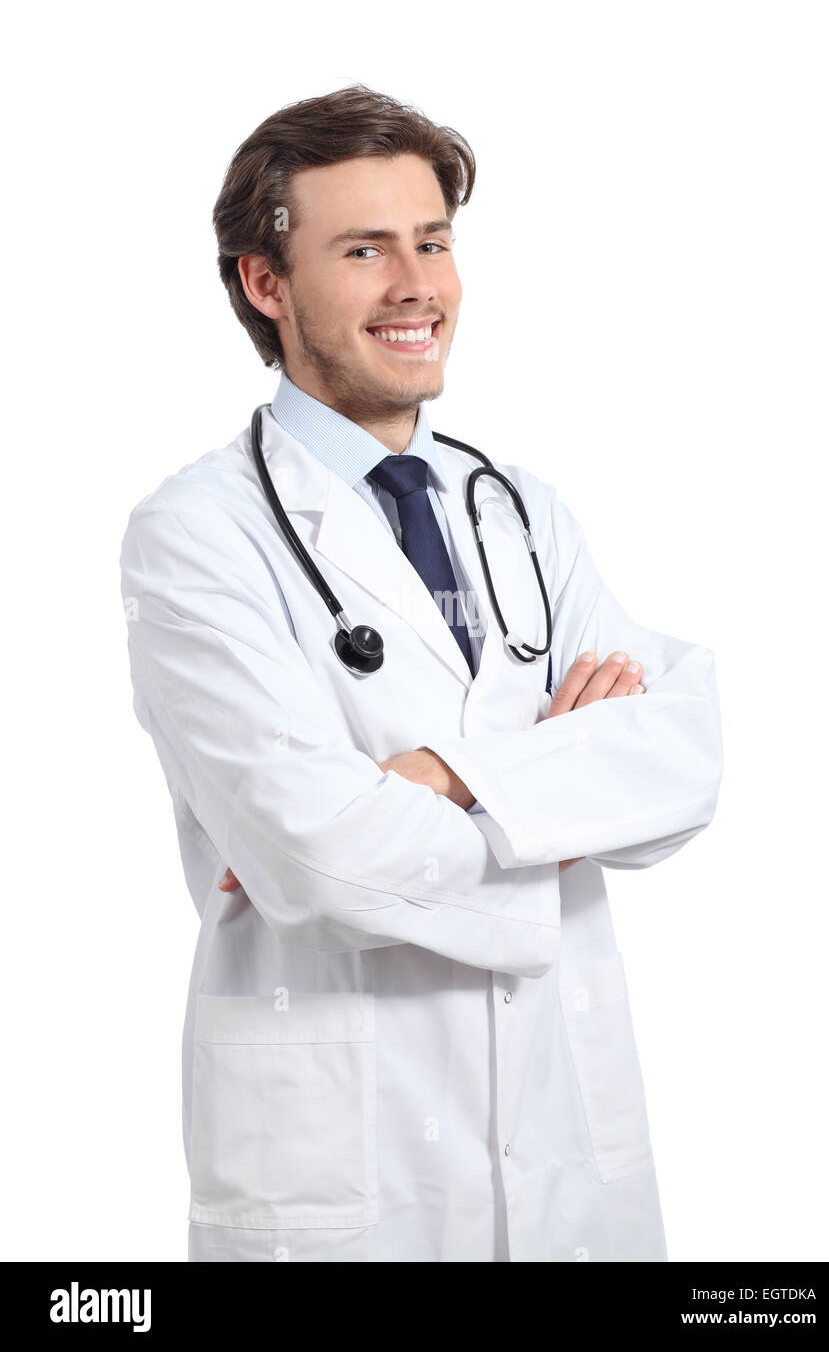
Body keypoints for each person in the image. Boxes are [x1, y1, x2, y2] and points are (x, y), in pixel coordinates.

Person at [119, 84, 723, 1263]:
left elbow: (686, 758)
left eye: (432, 242)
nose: (416, 285)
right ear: (265, 283)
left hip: (566, 1155)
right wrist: (555, 794)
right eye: (364, 249)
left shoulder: (523, 512)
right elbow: (318, 856)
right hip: (346, 1168)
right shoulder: (194, 535)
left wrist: (439, 775)